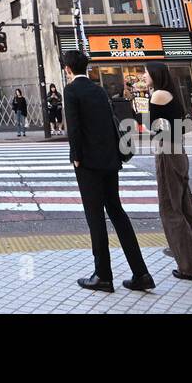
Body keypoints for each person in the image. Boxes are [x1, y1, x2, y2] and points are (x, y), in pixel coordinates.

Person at [62, 50, 155, 293]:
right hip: (110, 160)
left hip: (89, 164)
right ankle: (141, 272)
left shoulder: (71, 91)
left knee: (95, 218)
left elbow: (74, 128)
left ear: (68, 69)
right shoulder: (98, 89)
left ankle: (103, 274)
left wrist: (76, 158)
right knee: (117, 212)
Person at [147, 63, 192, 283]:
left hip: (167, 154)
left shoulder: (157, 95)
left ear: (155, 75)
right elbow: (185, 125)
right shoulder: (172, 94)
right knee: (187, 210)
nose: (143, 75)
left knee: (171, 210)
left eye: (145, 72)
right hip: (179, 152)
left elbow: (152, 128)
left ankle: (190, 268)